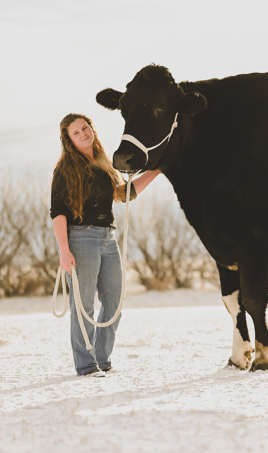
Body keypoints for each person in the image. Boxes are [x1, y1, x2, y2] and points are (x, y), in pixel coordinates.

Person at [51, 113, 159, 377]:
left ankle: (102, 358)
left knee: (114, 302)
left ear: (92, 129)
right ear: (69, 140)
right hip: (81, 238)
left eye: (85, 128)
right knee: (84, 304)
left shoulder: (103, 162)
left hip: (108, 238)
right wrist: (64, 250)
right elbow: (58, 212)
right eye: (76, 133)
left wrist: (156, 170)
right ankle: (86, 365)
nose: (83, 134)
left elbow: (123, 194)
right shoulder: (65, 169)